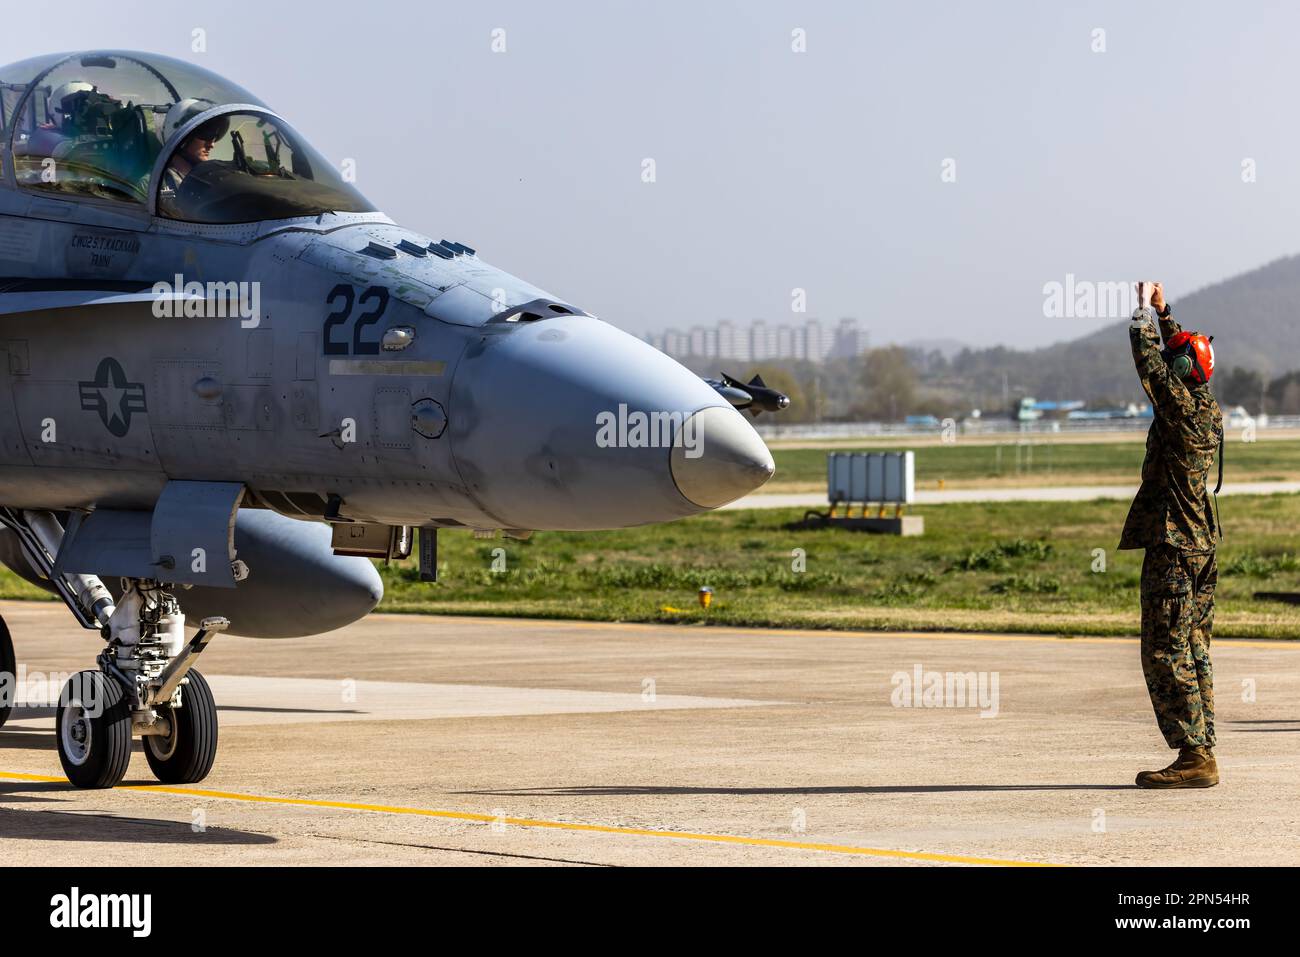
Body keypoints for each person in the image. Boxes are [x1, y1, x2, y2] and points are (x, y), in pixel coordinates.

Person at [1121, 281, 1223, 789]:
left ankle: (1194, 754)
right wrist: (1167, 315)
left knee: (1165, 649)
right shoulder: (1208, 408)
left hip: (1175, 547)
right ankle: (1201, 748)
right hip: (1202, 547)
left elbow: (1153, 368)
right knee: (1195, 646)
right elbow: (1183, 363)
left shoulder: (1178, 410)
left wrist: (1143, 313)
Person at [157, 99, 228, 216]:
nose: (212, 144)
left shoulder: (205, 175)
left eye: (215, 137)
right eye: (207, 135)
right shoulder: (162, 183)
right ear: (182, 135)